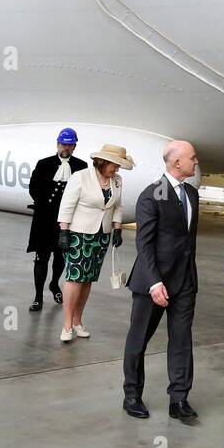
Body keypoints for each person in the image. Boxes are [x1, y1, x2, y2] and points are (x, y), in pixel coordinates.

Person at [122, 140, 200, 422]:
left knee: (181, 341)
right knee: (138, 340)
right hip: (152, 282)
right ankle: (132, 395)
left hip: (184, 282)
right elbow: (144, 244)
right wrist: (155, 283)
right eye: (192, 158)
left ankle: (178, 399)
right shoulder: (151, 195)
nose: (196, 161)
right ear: (176, 163)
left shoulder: (192, 193)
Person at [56, 144, 133, 343]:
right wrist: (64, 232)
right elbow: (67, 206)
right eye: (115, 165)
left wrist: (117, 228)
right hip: (79, 234)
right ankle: (66, 325)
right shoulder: (80, 177)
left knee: (88, 279)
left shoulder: (116, 180)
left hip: (101, 236)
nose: (117, 169)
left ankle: (77, 322)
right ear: (104, 162)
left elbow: (117, 205)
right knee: (74, 278)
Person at [26, 128, 87, 312]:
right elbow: (34, 188)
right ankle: (38, 297)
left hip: (66, 220)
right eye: (63, 144)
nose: (66, 148)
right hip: (44, 219)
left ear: (74, 146)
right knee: (41, 257)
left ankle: (54, 284)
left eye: (69, 145)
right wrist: (45, 204)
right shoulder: (44, 164)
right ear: (57, 144)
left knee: (60, 255)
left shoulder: (81, 166)